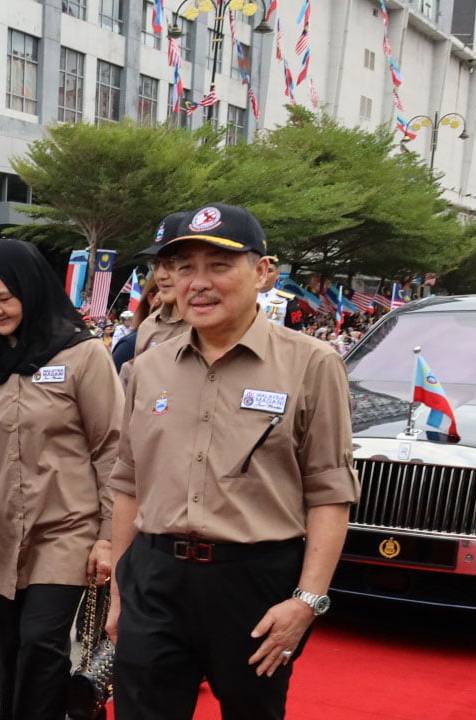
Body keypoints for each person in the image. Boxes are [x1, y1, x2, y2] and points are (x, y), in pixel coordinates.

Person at [107, 203, 357, 720]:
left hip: (253, 584)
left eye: (219, 265)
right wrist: (118, 593)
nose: (198, 283)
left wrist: (306, 602)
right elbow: (129, 484)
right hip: (155, 577)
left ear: (264, 272)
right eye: (184, 267)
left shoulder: (312, 364)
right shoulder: (146, 369)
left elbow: (330, 491)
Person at [0, 239, 122, 720]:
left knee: (42, 646)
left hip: (66, 530)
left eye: (5, 297)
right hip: (2, 533)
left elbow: (113, 448)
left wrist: (109, 537)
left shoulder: (84, 355)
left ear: (31, 290)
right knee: (10, 651)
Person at [129, 212, 191, 359]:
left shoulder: (219, 326)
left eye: (171, 263)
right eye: (156, 264)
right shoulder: (148, 327)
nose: (160, 275)